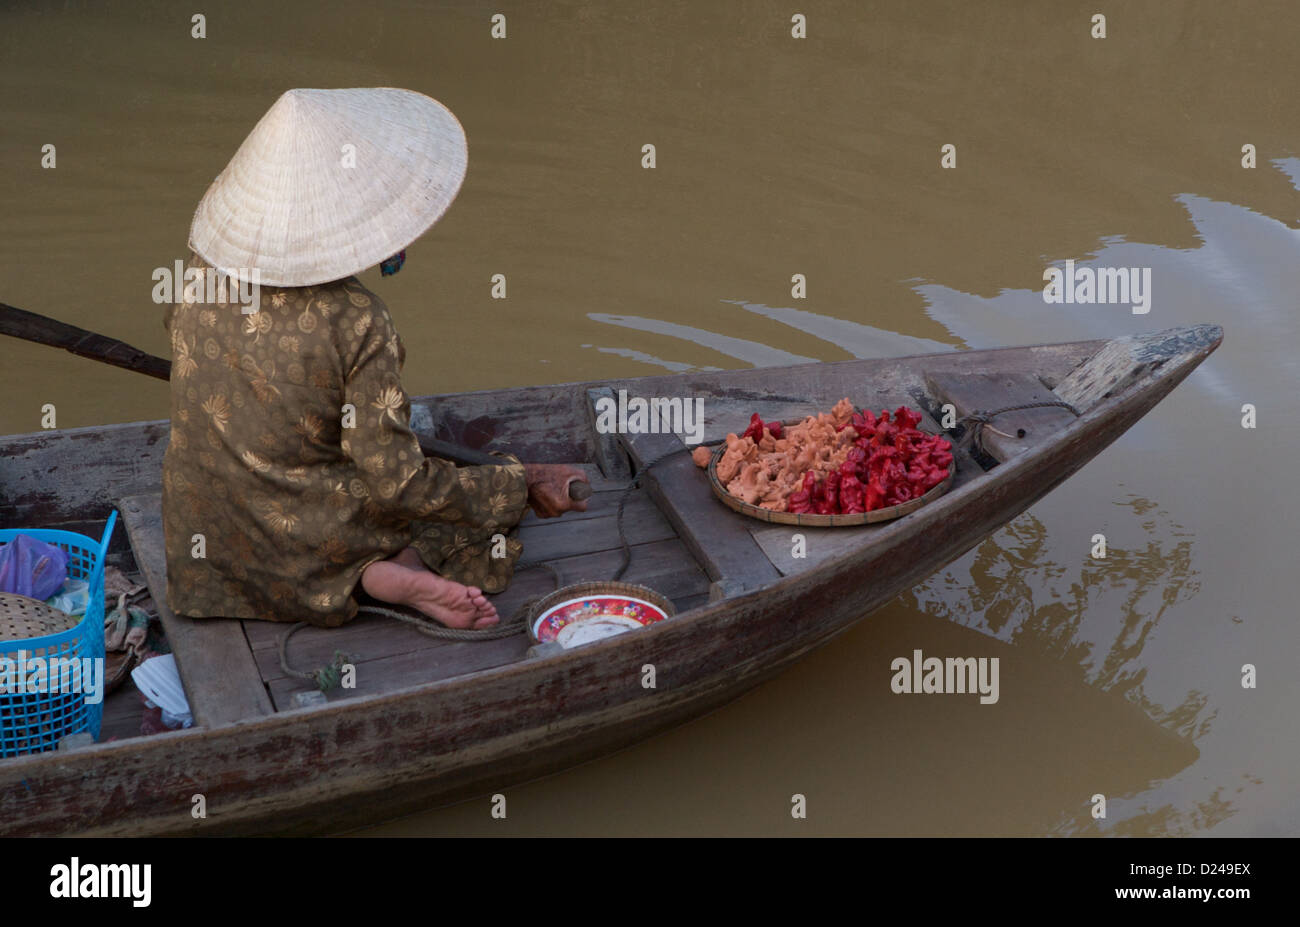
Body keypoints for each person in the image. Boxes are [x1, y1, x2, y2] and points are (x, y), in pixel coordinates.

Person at [161, 88, 585, 632]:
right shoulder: (355, 318)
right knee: (453, 514)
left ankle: (376, 577)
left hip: (204, 544)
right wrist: (515, 483)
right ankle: (380, 568)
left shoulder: (197, 271)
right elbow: (399, 483)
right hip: (310, 538)